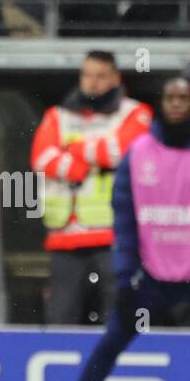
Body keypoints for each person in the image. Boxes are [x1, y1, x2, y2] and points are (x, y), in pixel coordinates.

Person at [33, 76, 190, 381]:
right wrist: (127, 274)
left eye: (185, 98)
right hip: (150, 277)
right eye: (170, 97)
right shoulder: (139, 153)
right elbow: (123, 219)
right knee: (107, 349)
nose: (177, 104)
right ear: (161, 102)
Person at [31, 50, 152, 325]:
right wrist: (82, 165)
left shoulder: (135, 112)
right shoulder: (57, 115)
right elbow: (42, 158)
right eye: (87, 75)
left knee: (118, 313)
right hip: (65, 234)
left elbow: (123, 150)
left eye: (100, 76)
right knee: (61, 314)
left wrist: (73, 148)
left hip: (115, 234)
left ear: (115, 78)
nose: (92, 82)